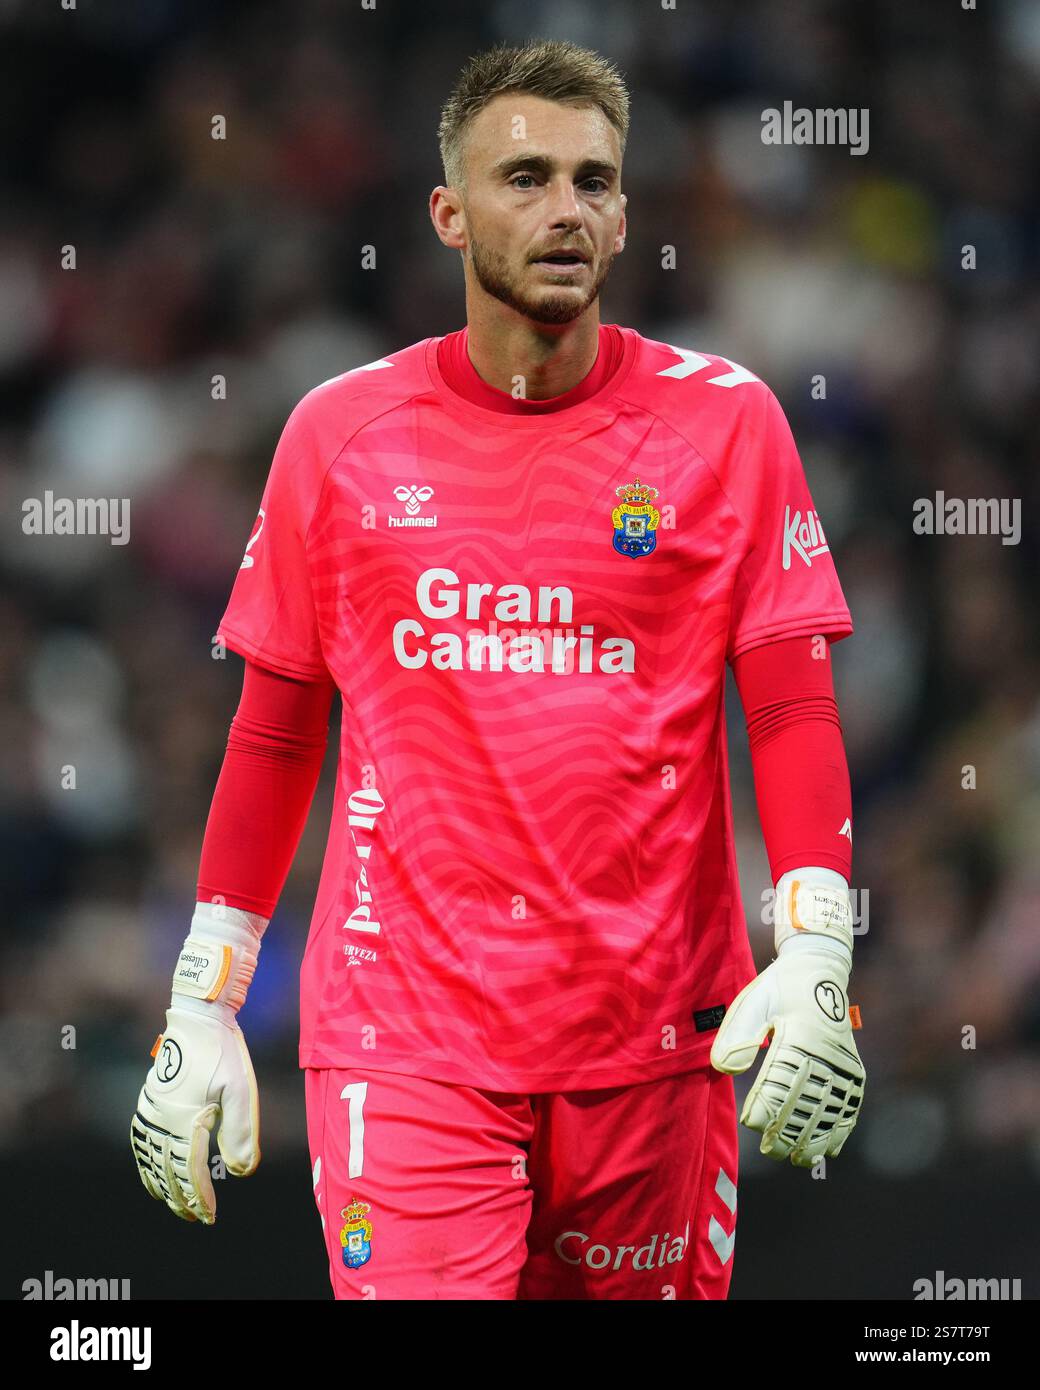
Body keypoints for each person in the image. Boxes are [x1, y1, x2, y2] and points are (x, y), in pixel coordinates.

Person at [131, 37, 864, 1300]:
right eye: (523, 177)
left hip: (657, 1044)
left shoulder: (726, 423)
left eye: (593, 180)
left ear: (626, 213)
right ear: (448, 213)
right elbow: (272, 736)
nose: (564, 208)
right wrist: (203, 998)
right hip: (405, 1047)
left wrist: (817, 954)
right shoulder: (338, 436)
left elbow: (790, 705)